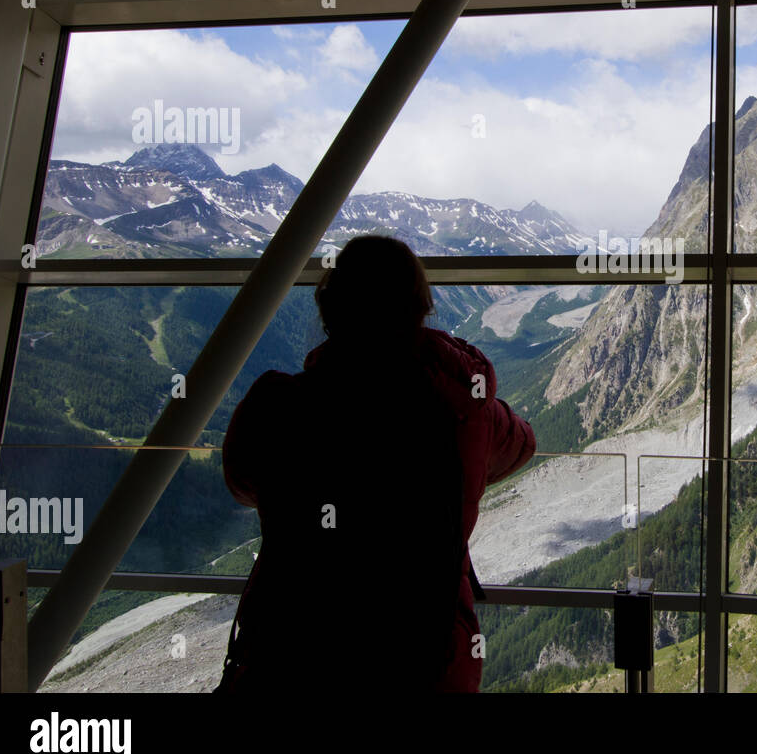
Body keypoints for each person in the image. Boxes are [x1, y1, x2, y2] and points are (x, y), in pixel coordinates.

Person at [218, 235, 535, 693]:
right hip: (427, 661)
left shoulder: (280, 406)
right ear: (421, 307)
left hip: (293, 655)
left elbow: (242, 480)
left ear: (331, 307)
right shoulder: (464, 409)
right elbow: (522, 444)